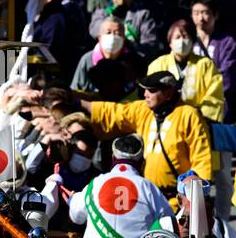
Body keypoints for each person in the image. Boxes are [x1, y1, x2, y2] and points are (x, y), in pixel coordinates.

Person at [87, 72, 213, 204]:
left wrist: (197, 200)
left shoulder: (189, 114)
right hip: (148, 198)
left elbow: (201, 157)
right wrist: (78, 102)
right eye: (144, 90)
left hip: (178, 200)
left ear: (168, 93)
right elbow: (113, 112)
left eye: (152, 91)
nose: (146, 94)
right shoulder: (144, 109)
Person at [67, 133, 173, 238]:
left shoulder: (94, 184)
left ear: (113, 158)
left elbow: (76, 217)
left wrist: (74, 198)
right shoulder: (148, 187)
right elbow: (168, 224)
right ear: (142, 162)